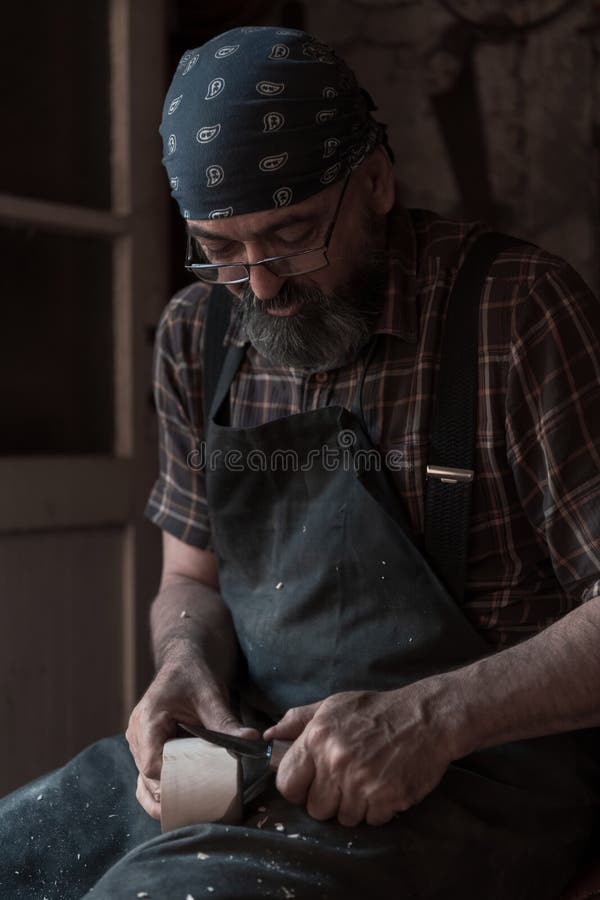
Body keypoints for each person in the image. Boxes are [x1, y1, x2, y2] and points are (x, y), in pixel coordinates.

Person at [2, 23, 600, 900]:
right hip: (255, 759)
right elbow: (190, 580)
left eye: (291, 235)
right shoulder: (195, 332)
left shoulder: (516, 314)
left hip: (478, 776)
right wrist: (180, 662)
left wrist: (434, 718)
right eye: (222, 248)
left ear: (376, 182)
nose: (262, 285)